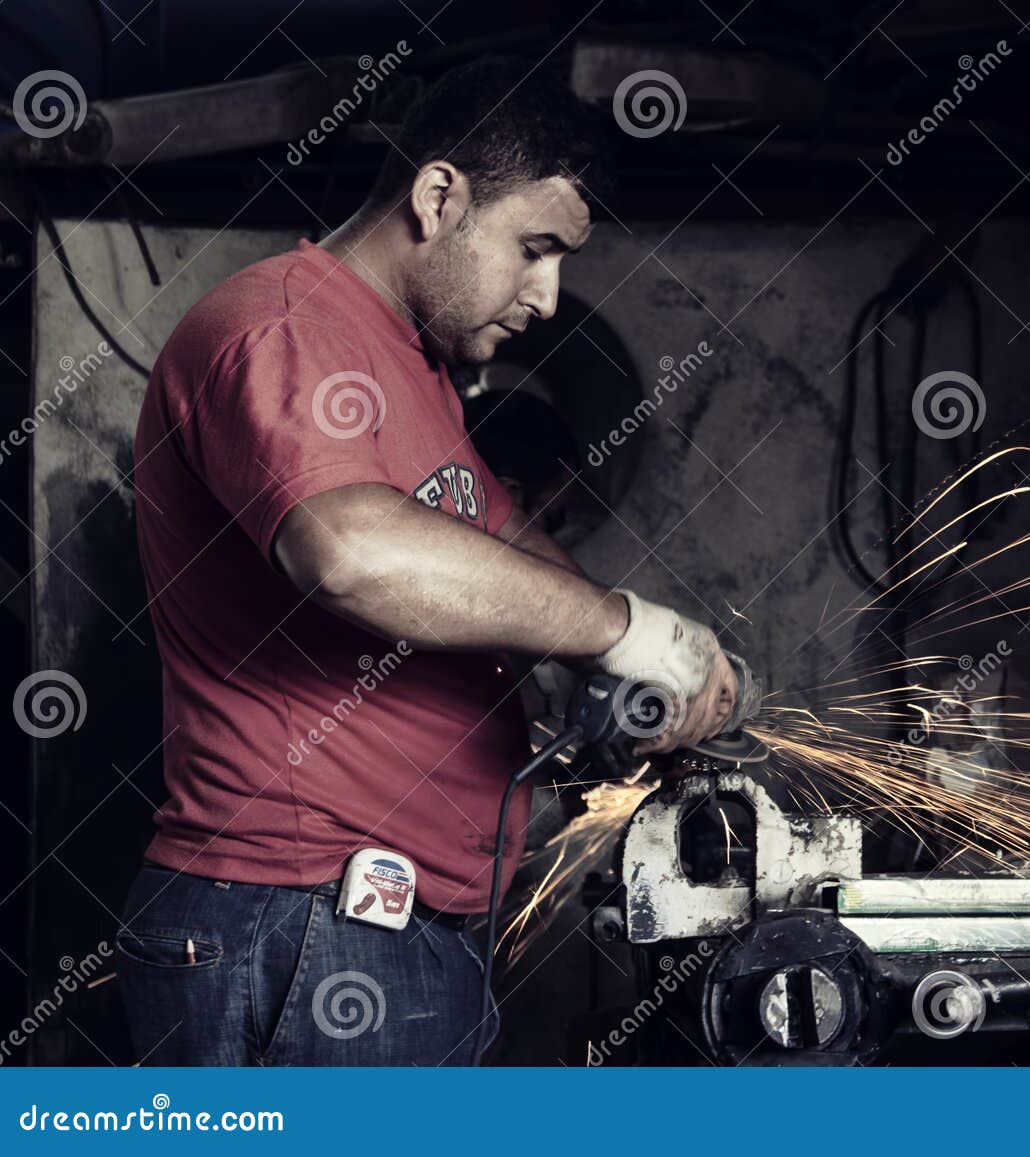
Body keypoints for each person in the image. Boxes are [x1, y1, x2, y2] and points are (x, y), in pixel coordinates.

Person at [118, 56, 736, 1065]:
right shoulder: (286, 323)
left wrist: (632, 658)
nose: (546, 297)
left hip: (373, 926)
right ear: (439, 195)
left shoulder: (414, 376)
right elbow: (351, 549)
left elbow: (495, 540)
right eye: (534, 248)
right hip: (306, 912)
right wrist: (625, 630)